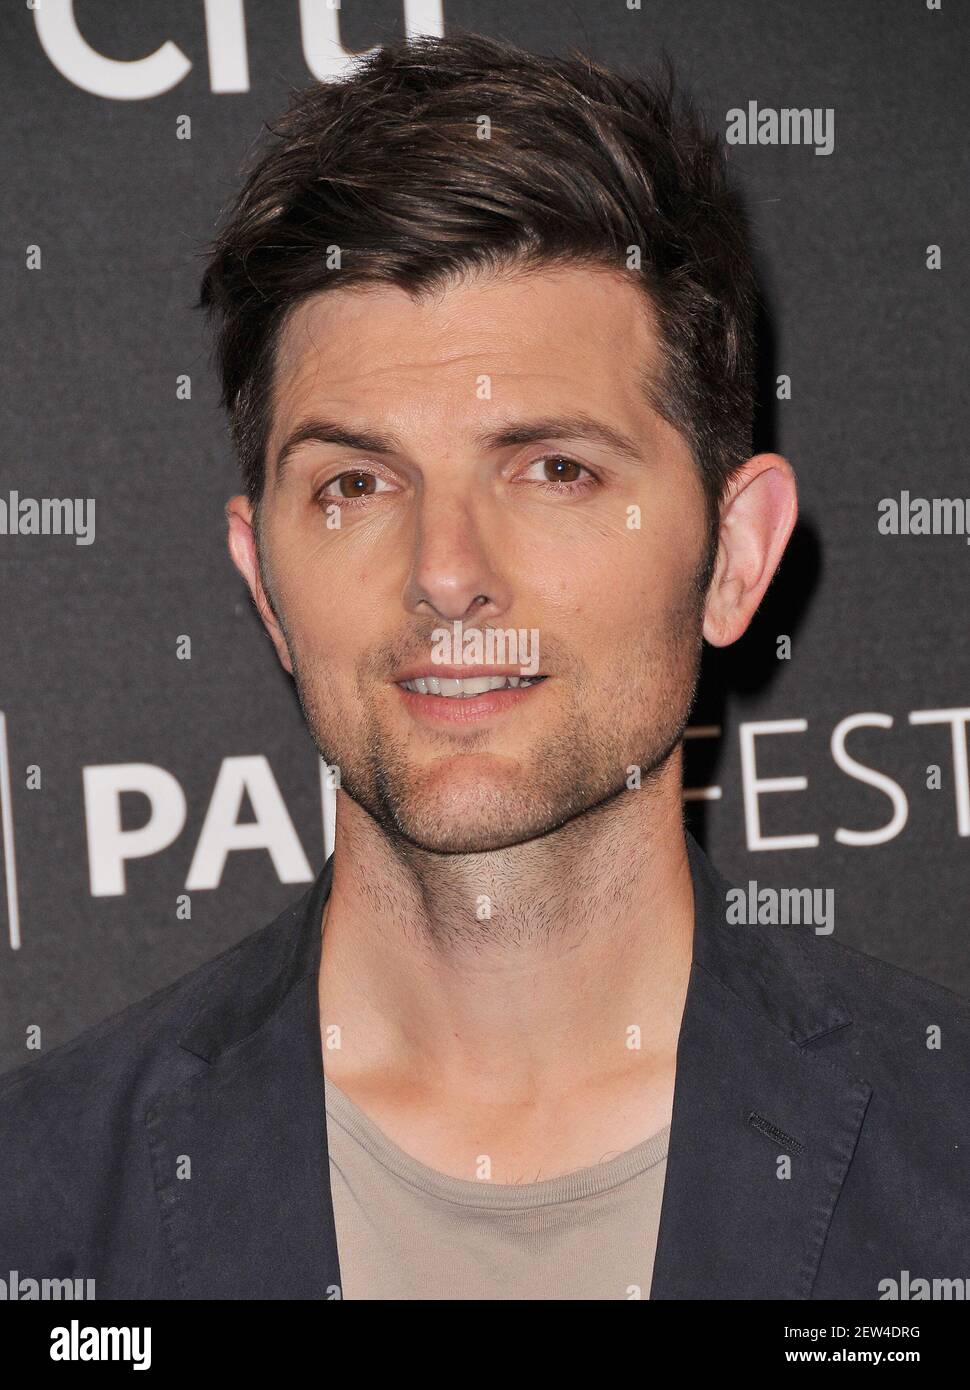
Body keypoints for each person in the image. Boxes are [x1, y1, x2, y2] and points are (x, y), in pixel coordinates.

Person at [2, 32, 967, 1302]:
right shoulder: (38, 1205)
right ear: (265, 586)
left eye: (554, 469)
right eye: (354, 482)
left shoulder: (942, 1164)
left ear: (734, 556)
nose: (445, 570)